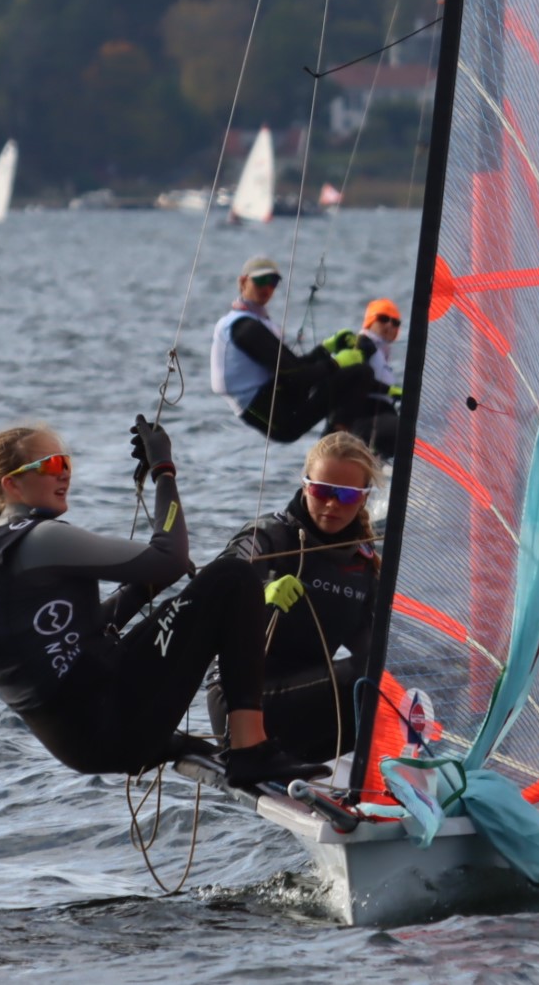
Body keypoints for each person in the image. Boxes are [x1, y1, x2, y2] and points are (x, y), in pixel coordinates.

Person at [0, 420, 326, 787]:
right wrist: (163, 469)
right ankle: (250, 749)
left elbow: (76, 638)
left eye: (66, 463)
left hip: (83, 742)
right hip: (111, 721)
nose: (64, 474)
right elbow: (171, 555)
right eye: (51, 465)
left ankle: (190, 744)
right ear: (11, 484)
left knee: (215, 587)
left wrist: (142, 588)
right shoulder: (40, 539)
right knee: (234, 578)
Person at [207, 432, 382, 761]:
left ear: (364, 497)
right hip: (240, 707)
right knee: (371, 678)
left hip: (302, 706)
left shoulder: (363, 566)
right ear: (305, 486)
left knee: (395, 675)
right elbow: (210, 591)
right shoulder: (269, 535)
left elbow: (374, 649)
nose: (331, 504)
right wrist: (258, 593)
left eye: (345, 495)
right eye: (321, 491)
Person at [209, 255, 378, 442]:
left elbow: (294, 368)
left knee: (355, 372)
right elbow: (296, 377)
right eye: (261, 280)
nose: (267, 287)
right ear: (243, 281)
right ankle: (335, 446)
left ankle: (335, 447)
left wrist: (326, 348)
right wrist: (336, 363)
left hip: (280, 397)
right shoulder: (245, 328)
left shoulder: (254, 322)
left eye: (273, 281)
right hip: (276, 416)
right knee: (360, 373)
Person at [324, 298, 402, 456]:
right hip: (362, 419)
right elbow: (357, 377)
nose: (389, 325)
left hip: (375, 417)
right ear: (370, 321)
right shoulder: (364, 343)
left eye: (395, 323)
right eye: (383, 319)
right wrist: (389, 390)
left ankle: (378, 464)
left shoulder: (381, 350)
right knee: (408, 432)